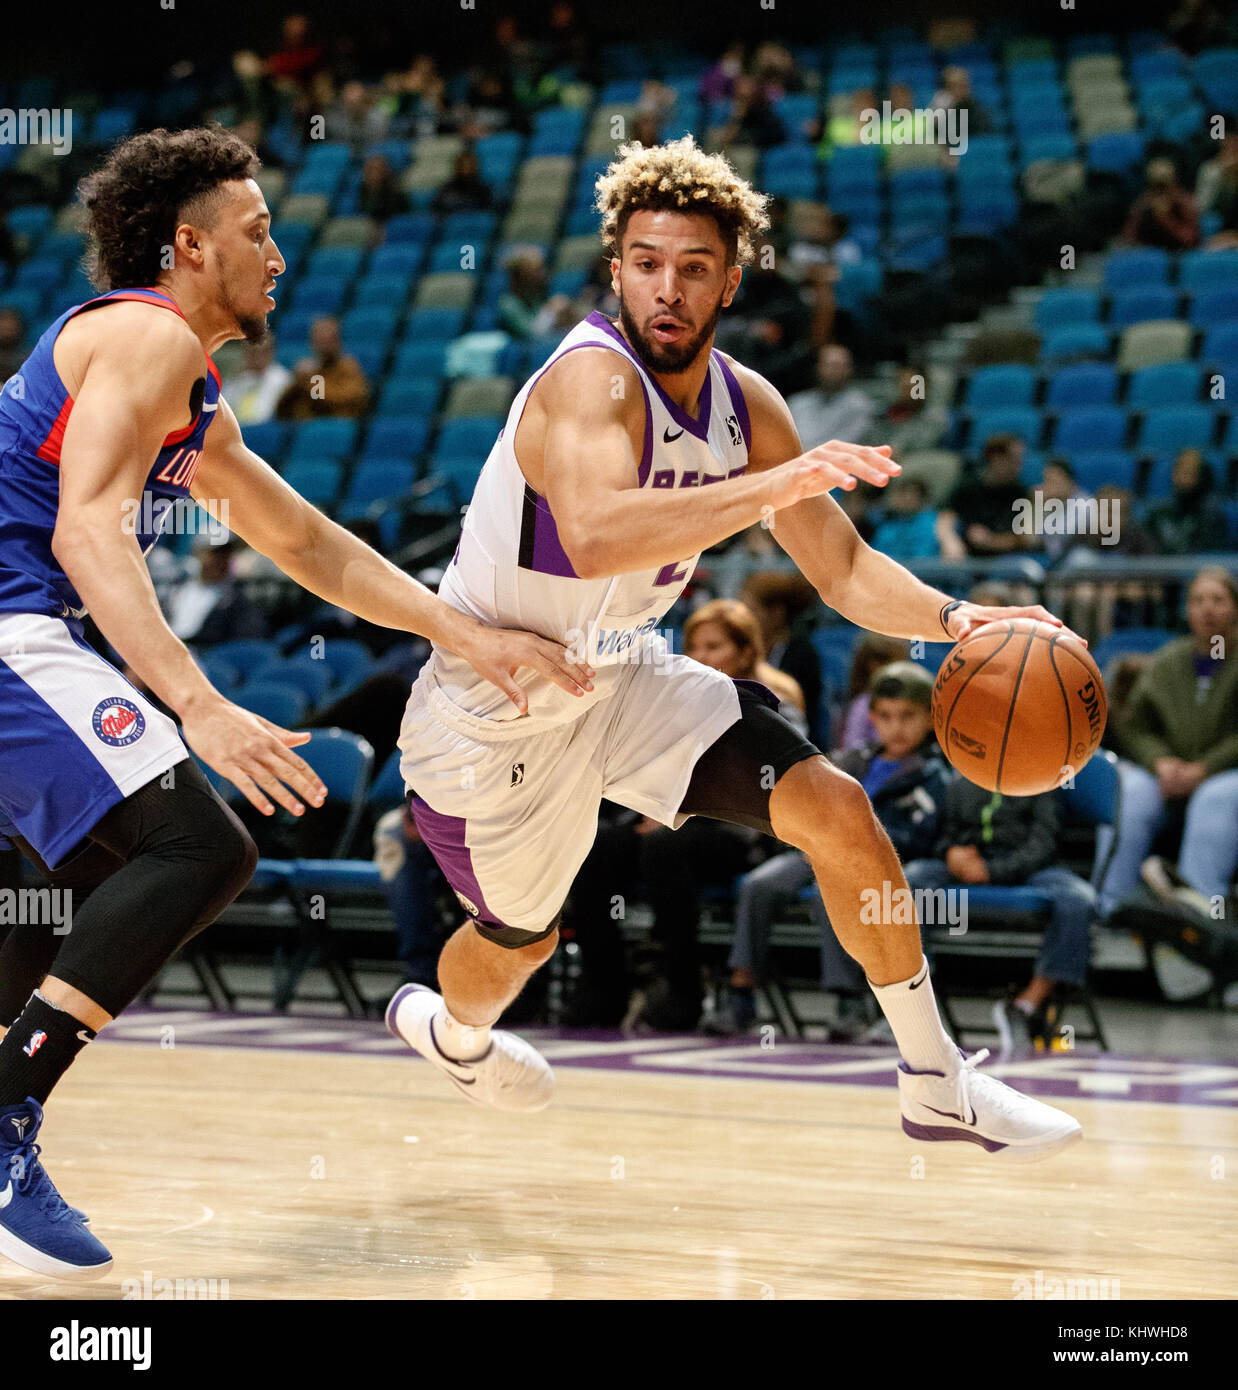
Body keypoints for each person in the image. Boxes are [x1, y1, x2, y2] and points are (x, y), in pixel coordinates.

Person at [386, 134, 1084, 1165]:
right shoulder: (591, 382)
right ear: (615, 266)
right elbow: (594, 529)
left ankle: (936, 1080)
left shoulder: (745, 406)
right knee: (518, 942)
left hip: (621, 672)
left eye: (693, 267)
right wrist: (771, 487)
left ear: (731, 278)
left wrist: (957, 620)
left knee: (836, 809)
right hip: (495, 706)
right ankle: (446, 1034)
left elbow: (841, 573)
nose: (665, 288)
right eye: (645, 262)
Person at [0, 126, 593, 1280]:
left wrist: (461, 631)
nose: (280, 254)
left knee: (58, 883)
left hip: (27, 635)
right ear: (187, 246)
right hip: (12, 628)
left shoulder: (185, 383)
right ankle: (7, 1114)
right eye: (257, 231)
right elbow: (84, 527)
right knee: (194, 846)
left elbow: (306, 541)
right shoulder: (148, 332)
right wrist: (197, 702)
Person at [714, 660, 950, 1036]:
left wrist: (849, 847)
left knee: (833, 891)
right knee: (758, 884)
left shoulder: (935, 772)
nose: (897, 726)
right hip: (818, 850)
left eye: (908, 716)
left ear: (929, 719)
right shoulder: (850, 760)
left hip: (883, 863)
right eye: (886, 716)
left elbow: (919, 837)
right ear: (873, 717)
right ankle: (741, 991)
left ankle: (849, 999)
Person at [904, 782, 1099, 1061]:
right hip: (968, 866)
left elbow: (1044, 844)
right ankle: (917, 1000)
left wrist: (993, 871)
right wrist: (951, 854)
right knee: (906, 883)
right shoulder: (960, 779)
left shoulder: (1042, 780)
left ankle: (1025, 1006)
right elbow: (940, 835)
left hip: (1029, 870)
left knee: (1080, 900)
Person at [1098, 566, 1238, 912]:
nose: (1208, 609)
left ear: (1235, 607)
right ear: (1187, 610)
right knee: (1129, 794)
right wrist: (1159, 761)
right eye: (1198, 600)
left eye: (1218, 600)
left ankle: (1198, 916)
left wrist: (1205, 769)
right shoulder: (1166, 662)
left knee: (1213, 799)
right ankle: (1109, 908)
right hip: (1170, 776)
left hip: (1226, 777)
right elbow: (1134, 724)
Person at [938, 433, 1030, 558]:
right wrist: (949, 540)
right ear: (996, 458)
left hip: (1005, 559)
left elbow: (1023, 540)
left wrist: (990, 540)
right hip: (967, 557)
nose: (1018, 466)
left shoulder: (1021, 493)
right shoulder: (969, 485)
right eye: (1014, 460)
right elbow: (946, 517)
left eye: (1020, 460)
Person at [787, 344, 876, 456]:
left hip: (841, 467)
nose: (833, 370)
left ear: (849, 369)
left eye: (838, 365)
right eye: (828, 365)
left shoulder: (860, 405)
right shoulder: (798, 402)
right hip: (794, 465)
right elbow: (784, 442)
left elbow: (849, 445)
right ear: (818, 367)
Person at [276, 315, 370, 419]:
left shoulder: (348, 367)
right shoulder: (310, 370)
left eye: (328, 340)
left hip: (336, 426)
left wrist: (309, 379)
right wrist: (297, 379)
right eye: (319, 340)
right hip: (305, 427)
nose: (324, 346)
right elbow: (282, 407)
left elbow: (327, 399)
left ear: (338, 342)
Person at [1144, 449, 1229, 556]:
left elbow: (1206, 556)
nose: (1179, 478)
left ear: (1202, 478)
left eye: (1188, 473)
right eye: (1177, 471)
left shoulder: (1212, 516)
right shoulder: (1157, 514)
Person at [1121, 158, 1200, 252]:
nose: (1160, 190)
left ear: (1173, 182)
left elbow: (1190, 240)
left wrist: (1166, 219)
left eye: (1163, 185)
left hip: (1179, 254)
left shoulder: (1184, 202)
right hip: (1148, 254)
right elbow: (1128, 238)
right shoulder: (1144, 202)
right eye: (1156, 186)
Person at [221, 335, 292, 425]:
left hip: (265, 430)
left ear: (271, 352)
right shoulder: (235, 380)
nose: (258, 357)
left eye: (263, 351)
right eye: (253, 351)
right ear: (245, 352)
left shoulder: (283, 379)